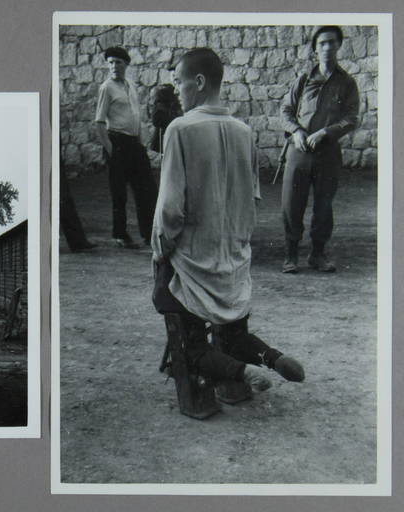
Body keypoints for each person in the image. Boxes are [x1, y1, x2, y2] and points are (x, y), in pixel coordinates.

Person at [152, 48, 304, 394]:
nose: (177, 91)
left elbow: (170, 211)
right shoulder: (243, 131)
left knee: (180, 329)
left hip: (193, 267)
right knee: (235, 333)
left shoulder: (179, 129)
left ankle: (238, 373)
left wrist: (160, 254)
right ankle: (272, 356)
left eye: (179, 82)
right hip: (233, 265)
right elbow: (251, 203)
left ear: (200, 82)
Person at [280, 25, 360, 273]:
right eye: (322, 43)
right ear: (315, 48)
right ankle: (291, 255)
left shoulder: (346, 83)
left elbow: (351, 118)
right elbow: (285, 111)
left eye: (332, 42)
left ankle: (318, 254)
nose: (327, 47)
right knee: (292, 204)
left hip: (327, 154)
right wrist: (296, 131)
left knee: (324, 206)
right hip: (299, 152)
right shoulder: (303, 80)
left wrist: (326, 132)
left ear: (339, 46)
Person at [94, 46, 158, 249]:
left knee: (146, 190)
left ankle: (149, 233)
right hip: (117, 143)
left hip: (134, 143)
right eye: (110, 62)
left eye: (118, 62)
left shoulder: (130, 85)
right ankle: (120, 234)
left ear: (126, 65)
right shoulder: (107, 87)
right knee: (119, 192)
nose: (114, 66)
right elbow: (99, 122)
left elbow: (136, 115)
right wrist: (110, 149)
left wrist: (140, 141)